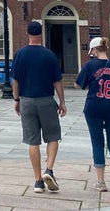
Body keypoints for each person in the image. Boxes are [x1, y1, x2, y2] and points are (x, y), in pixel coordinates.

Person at [11, 21, 66, 194]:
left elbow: (16, 81)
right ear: (41, 34)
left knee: (32, 141)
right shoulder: (49, 55)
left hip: (27, 100)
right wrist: (62, 101)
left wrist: (17, 100)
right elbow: (57, 80)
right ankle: (49, 169)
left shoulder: (20, 54)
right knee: (53, 137)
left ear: (28, 34)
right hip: (46, 100)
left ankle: (38, 181)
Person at [75, 37, 110, 194]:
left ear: (94, 50)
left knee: (98, 143)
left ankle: (101, 182)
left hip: (94, 108)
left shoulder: (90, 65)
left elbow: (78, 84)